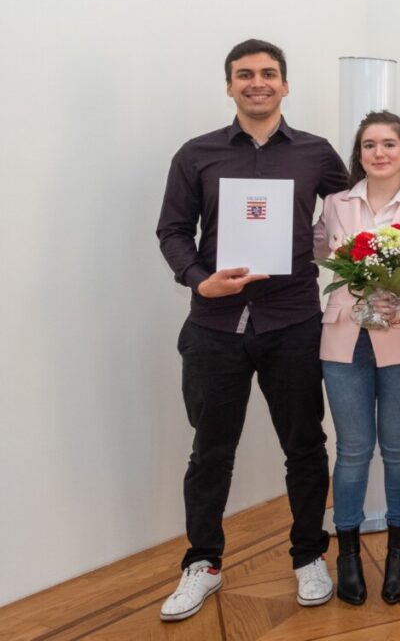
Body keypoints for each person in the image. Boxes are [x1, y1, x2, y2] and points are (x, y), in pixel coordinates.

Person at [155, 39, 346, 620]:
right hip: (214, 324)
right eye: (245, 74)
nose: (256, 82)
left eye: (268, 74)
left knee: (305, 446)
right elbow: (171, 230)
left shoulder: (317, 154)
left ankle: (308, 555)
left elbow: (359, 215)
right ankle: (203, 563)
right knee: (210, 451)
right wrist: (197, 278)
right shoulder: (197, 154)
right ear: (230, 85)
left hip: (292, 321)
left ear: (285, 85)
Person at [313, 111, 400, 606]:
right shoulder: (334, 205)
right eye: (369, 145)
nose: (379, 153)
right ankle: (346, 553)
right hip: (343, 340)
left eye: (389, 144)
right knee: (351, 450)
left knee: (398, 448)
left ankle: (398, 553)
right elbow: (316, 255)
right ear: (359, 154)